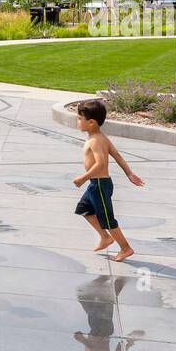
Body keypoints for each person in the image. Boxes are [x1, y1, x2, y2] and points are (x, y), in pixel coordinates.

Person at [73, 98, 144, 261]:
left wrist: (83, 178)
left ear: (90, 122)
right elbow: (117, 156)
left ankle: (125, 248)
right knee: (84, 209)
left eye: (79, 118)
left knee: (107, 219)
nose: (77, 121)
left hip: (99, 185)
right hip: (96, 184)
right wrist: (129, 174)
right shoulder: (100, 137)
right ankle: (105, 238)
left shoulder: (96, 140)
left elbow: (101, 163)